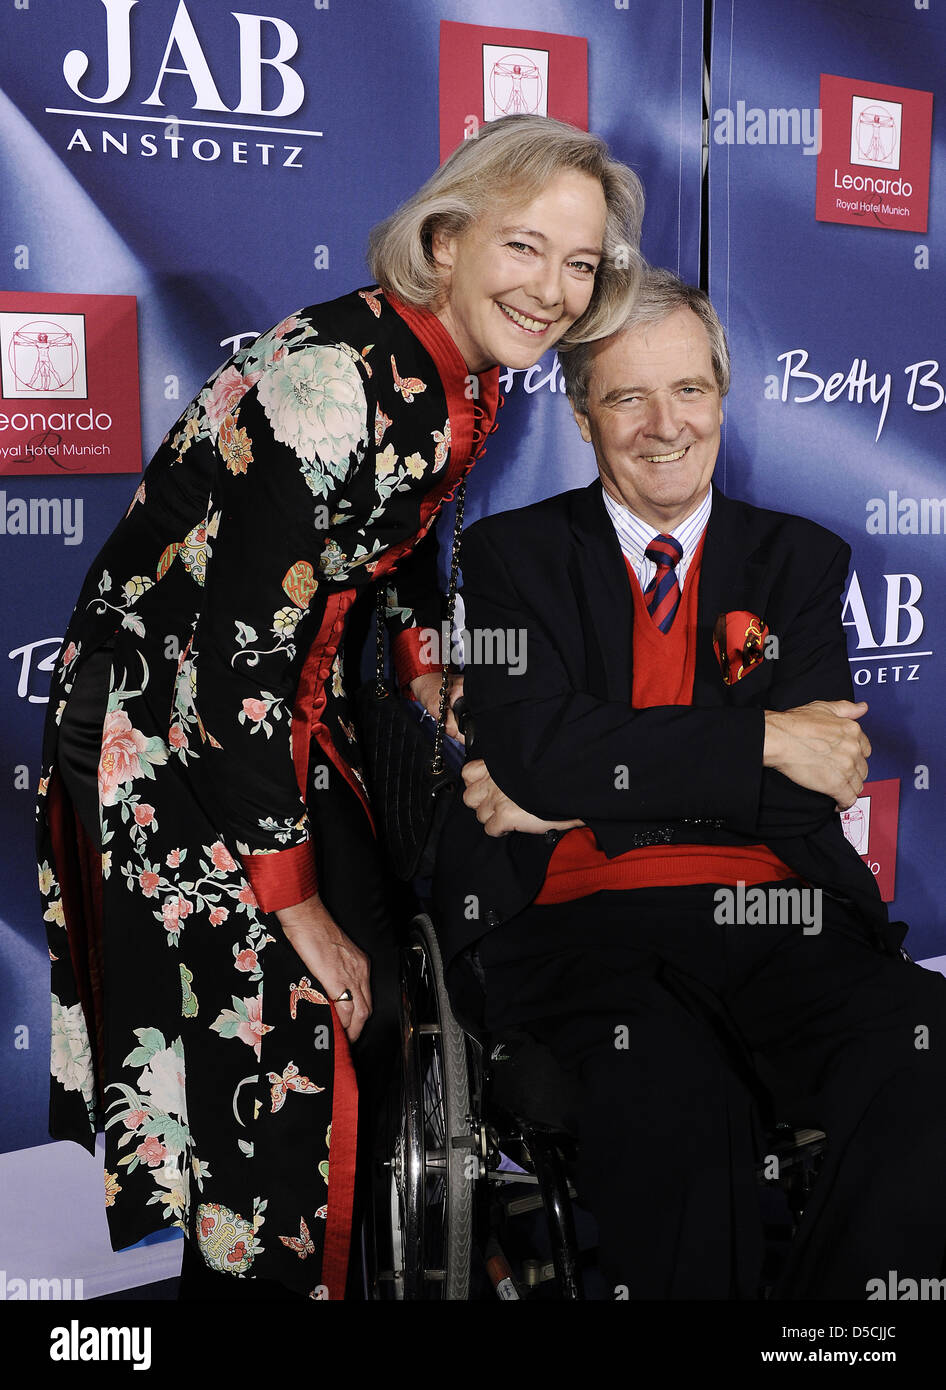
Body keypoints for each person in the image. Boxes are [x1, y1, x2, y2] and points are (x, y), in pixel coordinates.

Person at [36, 114, 646, 1300]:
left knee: (351, 1024)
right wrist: (293, 901)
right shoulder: (334, 378)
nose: (555, 291)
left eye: (581, 264)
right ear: (446, 236)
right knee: (275, 1049)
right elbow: (238, 658)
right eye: (526, 249)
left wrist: (424, 662)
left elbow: (388, 546)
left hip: (269, 708)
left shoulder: (448, 369)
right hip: (170, 723)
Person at [435, 268, 946, 1300]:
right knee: (670, 1096)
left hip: (782, 910)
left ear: (721, 397)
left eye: (689, 391)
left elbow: (809, 797)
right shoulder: (510, 558)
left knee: (920, 1054)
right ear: (582, 417)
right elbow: (534, 750)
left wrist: (575, 783)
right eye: (628, 396)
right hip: (580, 925)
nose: (664, 426)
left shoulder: (798, 559)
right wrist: (757, 739)